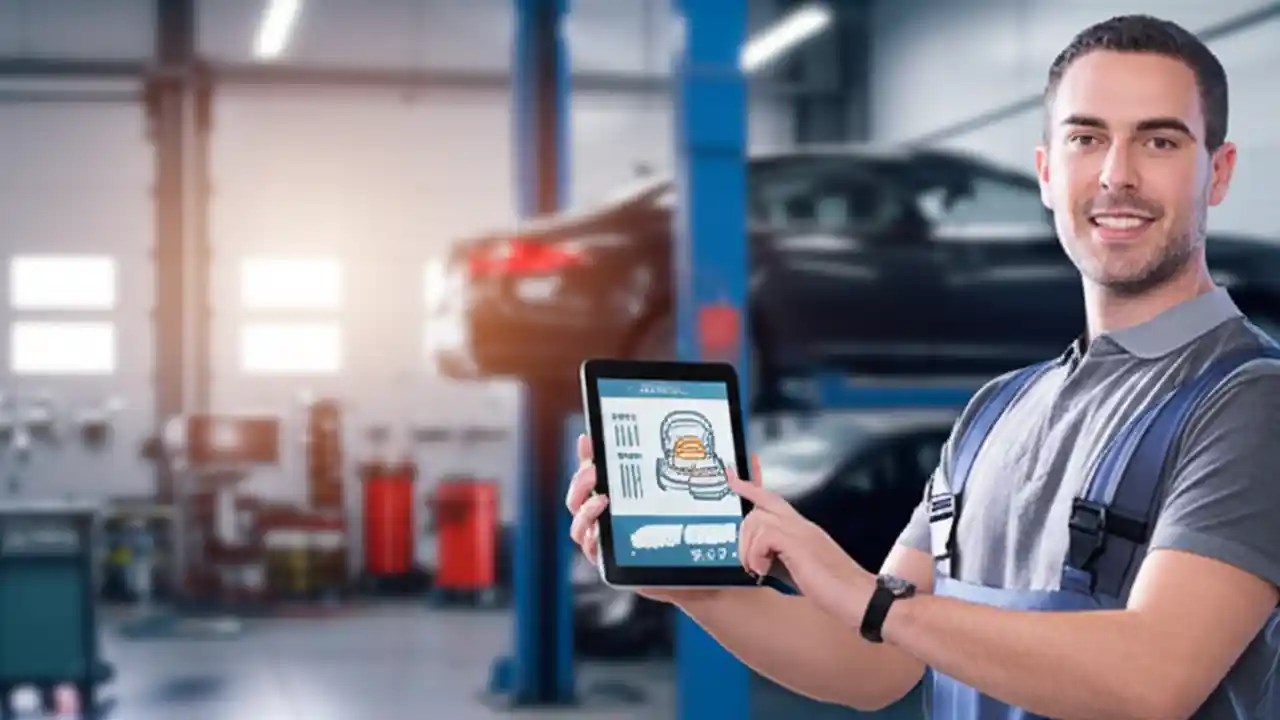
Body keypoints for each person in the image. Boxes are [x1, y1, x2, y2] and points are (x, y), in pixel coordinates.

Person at [565, 14, 1280, 720]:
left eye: (1159, 140)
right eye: (1086, 138)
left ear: (1218, 173)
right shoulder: (997, 409)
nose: (1117, 174)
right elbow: (875, 662)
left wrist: (868, 597)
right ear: (1045, 173)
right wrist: (699, 588)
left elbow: (1152, 678)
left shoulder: (1250, 401)